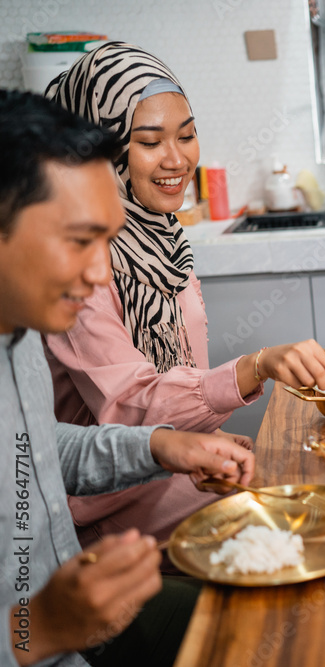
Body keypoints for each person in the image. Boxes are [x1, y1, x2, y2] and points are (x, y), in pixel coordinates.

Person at [41, 42, 325, 547]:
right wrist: (254, 366)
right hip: (113, 504)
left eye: (187, 136)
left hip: (173, 463)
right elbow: (127, 406)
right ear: (101, 152)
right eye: (149, 142)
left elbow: (174, 379)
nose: (177, 158)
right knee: (310, 527)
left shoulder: (163, 240)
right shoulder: (79, 266)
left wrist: (201, 443)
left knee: (322, 482)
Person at [0, 89, 255, 666]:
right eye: (79, 241)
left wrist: (161, 445)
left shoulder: (15, 340)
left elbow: (35, 447)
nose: (100, 274)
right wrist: (33, 631)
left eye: (108, 241)